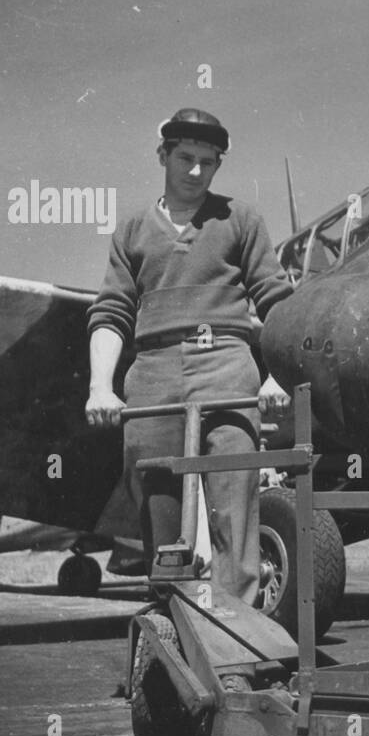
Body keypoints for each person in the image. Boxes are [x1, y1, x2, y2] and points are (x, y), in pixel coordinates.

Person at [86, 108, 294, 610]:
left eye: (208, 162)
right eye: (185, 158)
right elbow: (111, 313)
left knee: (234, 513)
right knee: (159, 515)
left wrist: (280, 375)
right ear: (163, 155)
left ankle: (238, 645)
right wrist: (100, 387)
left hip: (226, 364)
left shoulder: (241, 221)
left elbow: (278, 302)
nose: (196, 171)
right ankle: (173, 638)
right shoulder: (132, 230)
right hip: (153, 373)